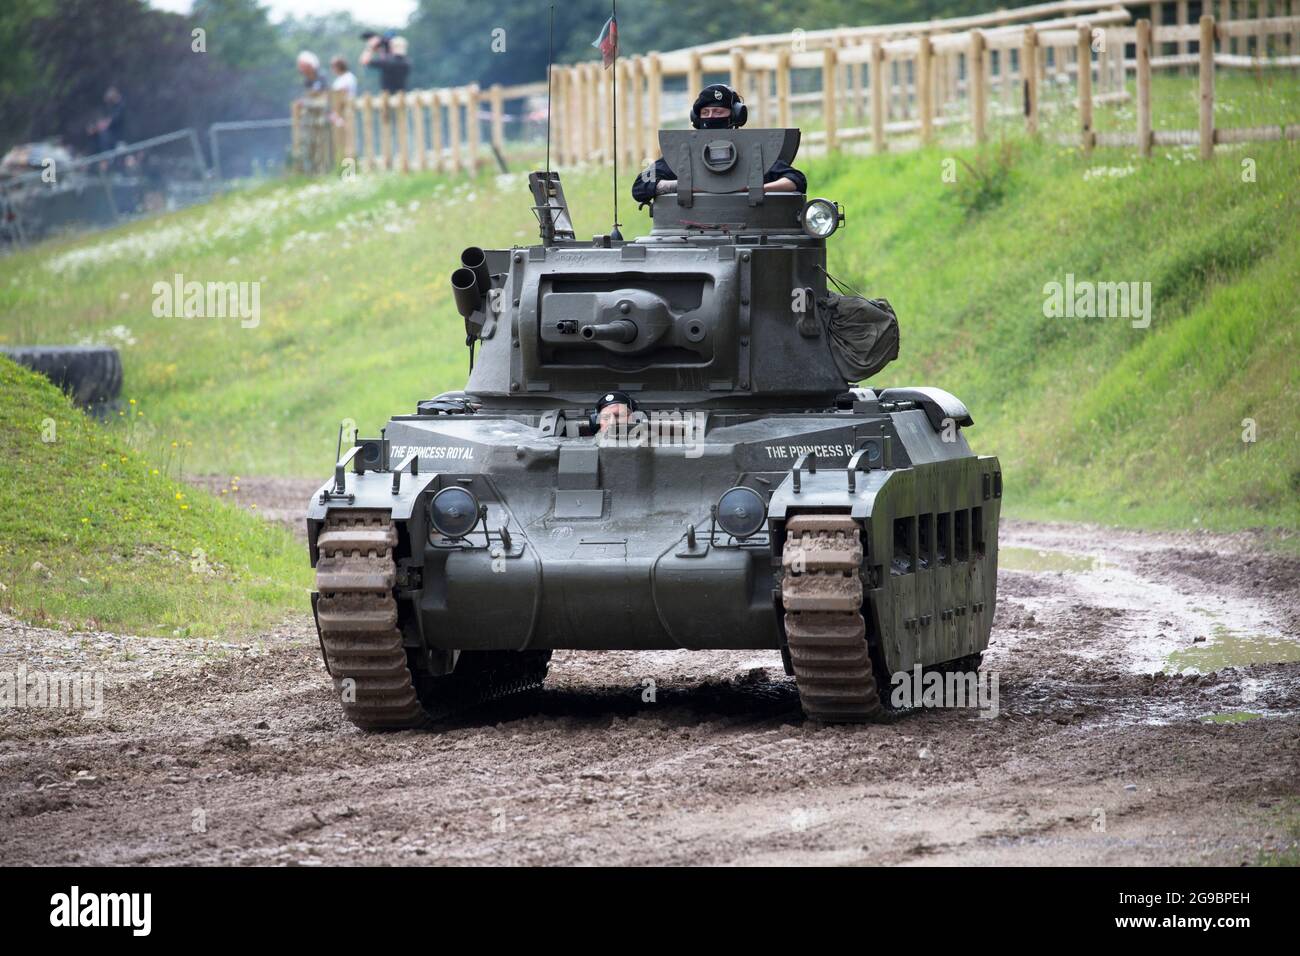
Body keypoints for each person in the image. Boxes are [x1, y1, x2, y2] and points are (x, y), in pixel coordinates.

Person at [632, 84, 805, 204]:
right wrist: (688, 186)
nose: (711, 117)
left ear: (736, 115)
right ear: (696, 118)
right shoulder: (685, 151)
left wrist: (753, 188)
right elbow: (641, 186)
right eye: (705, 112)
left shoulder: (752, 149)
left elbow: (795, 180)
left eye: (718, 111)